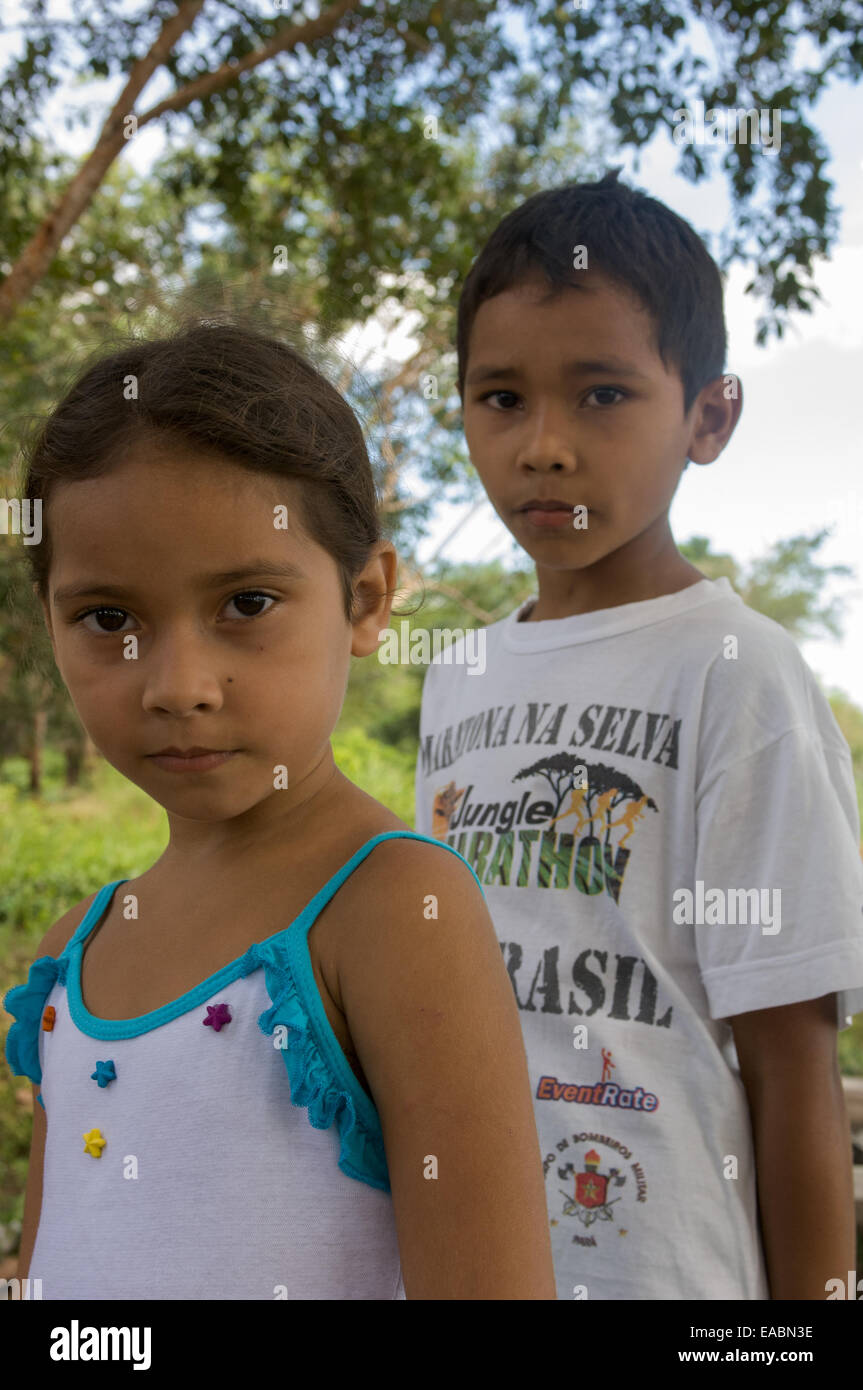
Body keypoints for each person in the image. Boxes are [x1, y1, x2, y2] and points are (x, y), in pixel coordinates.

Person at [3, 317, 556, 1301]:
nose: (179, 683)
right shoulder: (73, 953)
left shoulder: (394, 912)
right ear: (49, 623)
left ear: (365, 600)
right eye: (109, 619)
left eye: (246, 604)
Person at [414, 171, 863, 1300]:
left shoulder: (736, 671)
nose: (543, 447)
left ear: (706, 417)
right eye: (500, 398)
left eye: (602, 394)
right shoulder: (458, 679)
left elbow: (791, 1066)